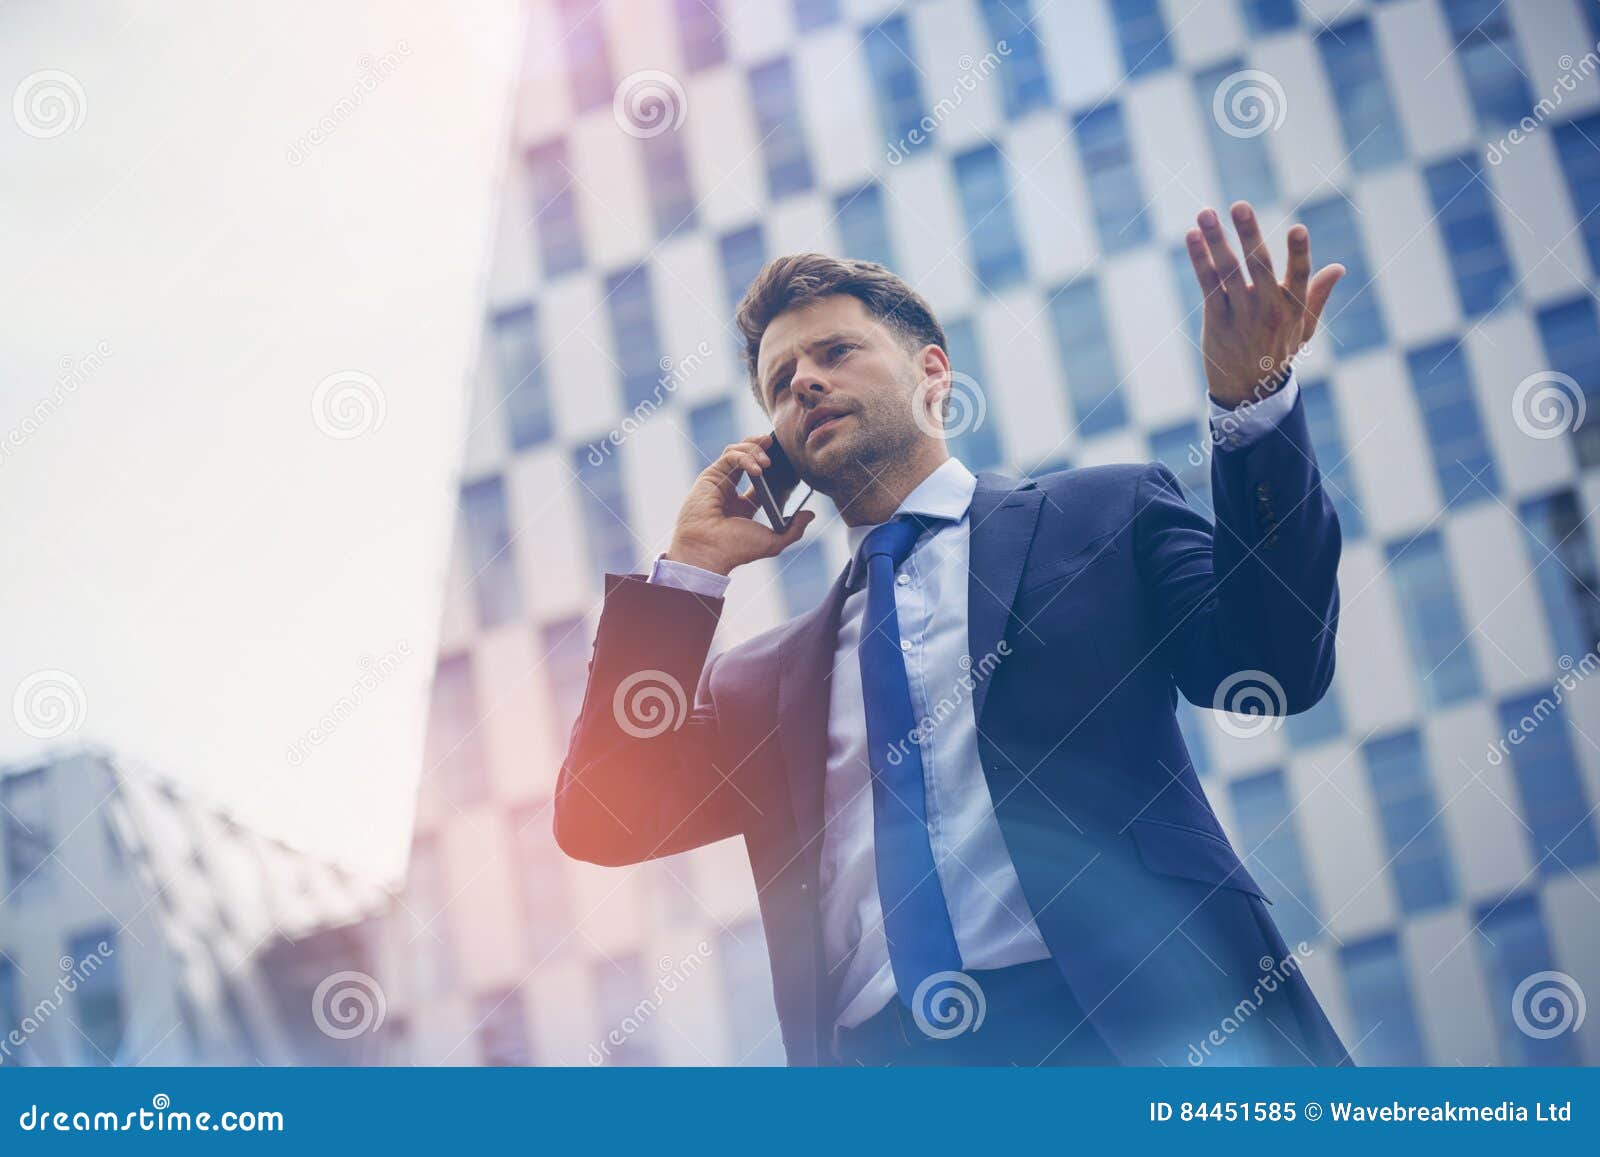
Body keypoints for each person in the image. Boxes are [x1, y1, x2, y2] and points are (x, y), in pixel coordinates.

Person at [555, 201, 1351, 1068]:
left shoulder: (1104, 516)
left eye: (835, 353)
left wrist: (1255, 406)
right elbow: (605, 817)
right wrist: (689, 575)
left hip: (1136, 1028)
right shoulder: (765, 680)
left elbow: (1274, 663)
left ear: (933, 371)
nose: (805, 384)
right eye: (780, 383)